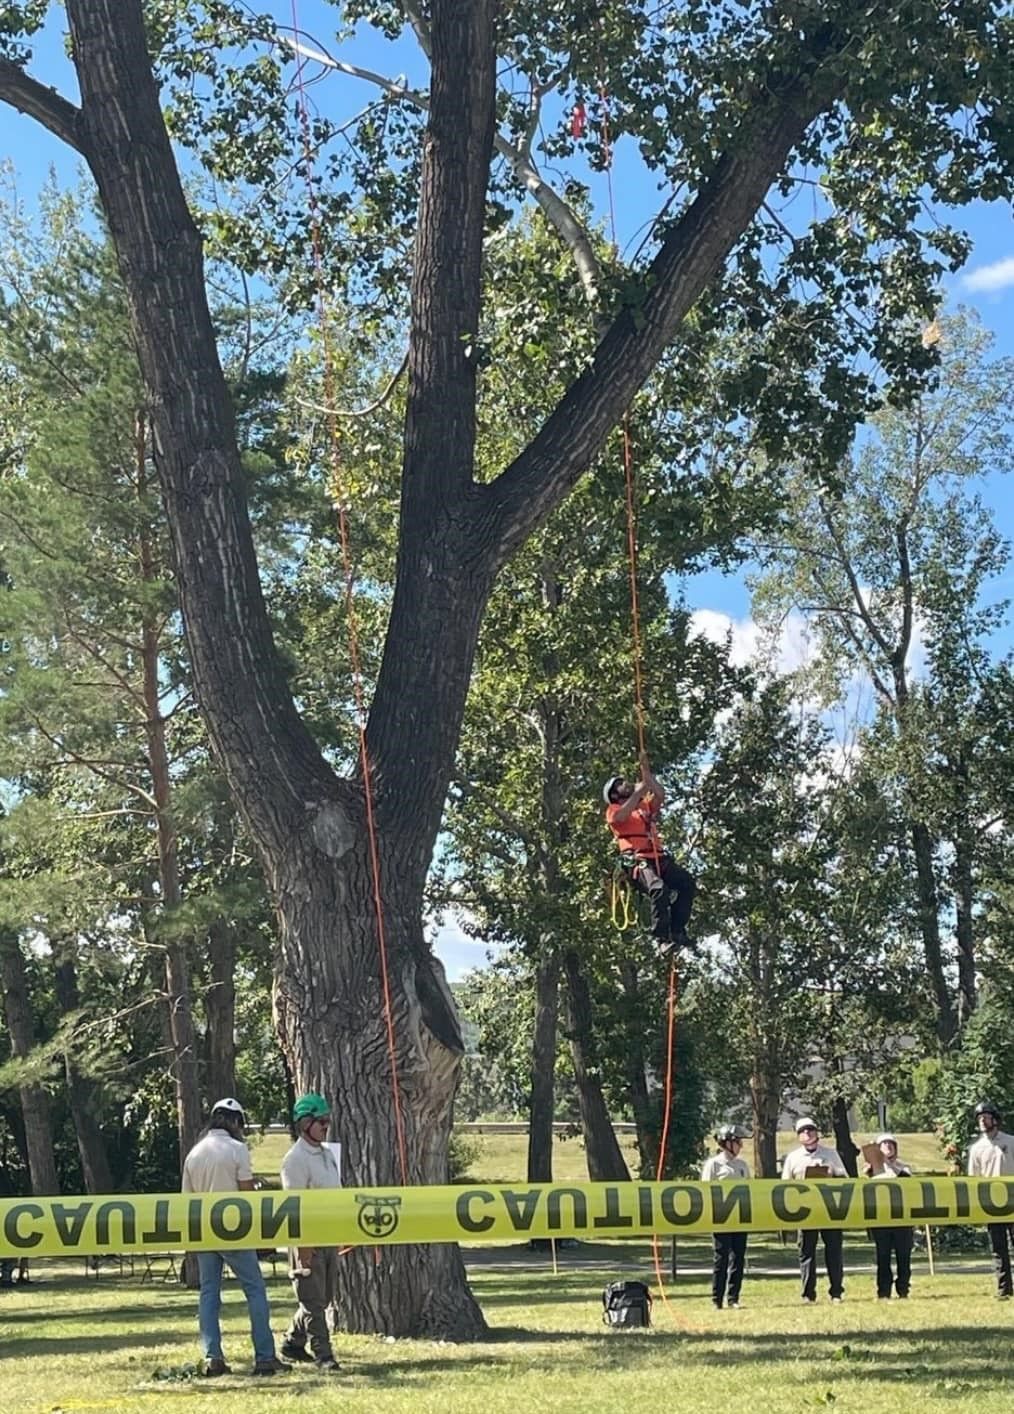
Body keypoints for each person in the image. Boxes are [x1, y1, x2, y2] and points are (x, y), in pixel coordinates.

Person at [181, 1097, 289, 1378]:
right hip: (234, 1232)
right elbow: (246, 1196)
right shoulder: (237, 1150)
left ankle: (212, 1356)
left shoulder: (194, 1154)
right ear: (235, 1121)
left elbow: (187, 1200)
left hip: (204, 1232)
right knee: (254, 1291)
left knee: (208, 1295)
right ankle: (264, 1356)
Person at [603, 751, 695, 954]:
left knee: (687, 882)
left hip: (658, 858)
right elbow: (621, 817)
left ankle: (678, 931)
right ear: (615, 795)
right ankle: (661, 939)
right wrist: (638, 791)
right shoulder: (614, 810)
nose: (625, 783)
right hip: (637, 861)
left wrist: (646, 772)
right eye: (620, 784)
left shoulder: (643, 805)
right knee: (658, 889)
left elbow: (660, 794)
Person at [280, 1093, 343, 1373]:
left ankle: (293, 1342)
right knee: (313, 1302)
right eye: (320, 1121)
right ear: (304, 1123)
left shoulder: (328, 1154)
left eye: (327, 1121)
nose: (325, 1125)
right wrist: (303, 1246)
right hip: (306, 1239)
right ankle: (324, 1356)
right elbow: (293, 1206)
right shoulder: (294, 1160)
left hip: (330, 1235)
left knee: (323, 1298)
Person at [781, 1117, 849, 1303]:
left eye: (810, 1129)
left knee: (834, 1251)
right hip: (804, 1212)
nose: (807, 1133)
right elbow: (785, 1185)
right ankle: (808, 1294)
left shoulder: (831, 1153)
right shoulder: (793, 1158)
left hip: (829, 1211)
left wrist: (829, 1175)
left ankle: (836, 1292)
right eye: (803, 1131)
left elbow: (844, 1178)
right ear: (798, 1136)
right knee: (806, 1252)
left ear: (817, 1132)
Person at [966, 1100, 1014, 1300]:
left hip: (1013, 1201)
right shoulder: (976, 1149)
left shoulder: (1011, 1142)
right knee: (998, 1248)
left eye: (986, 1117)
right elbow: (974, 1179)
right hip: (992, 1206)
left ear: (995, 1119)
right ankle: (1004, 1289)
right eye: (980, 1119)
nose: (983, 1122)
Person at [701, 1124, 751, 1309]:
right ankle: (717, 1299)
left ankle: (733, 1298)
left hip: (739, 1218)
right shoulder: (713, 1165)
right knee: (721, 1259)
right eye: (738, 1142)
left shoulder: (742, 1165)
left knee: (738, 1258)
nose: (740, 1146)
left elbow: (749, 1189)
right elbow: (705, 1190)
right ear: (727, 1143)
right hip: (721, 1219)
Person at [863, 1133, 914, 1299]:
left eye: (891, 1144)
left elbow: (908, 1181)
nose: (888, 1147)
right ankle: (883, 1291)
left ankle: (903, 1289)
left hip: (902, 1219)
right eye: (884, 1144)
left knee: (903, 1257)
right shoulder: (873, 1171)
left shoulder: (904, 1167)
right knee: (883, 1256)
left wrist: (892, 1167)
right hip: (882, 1219)